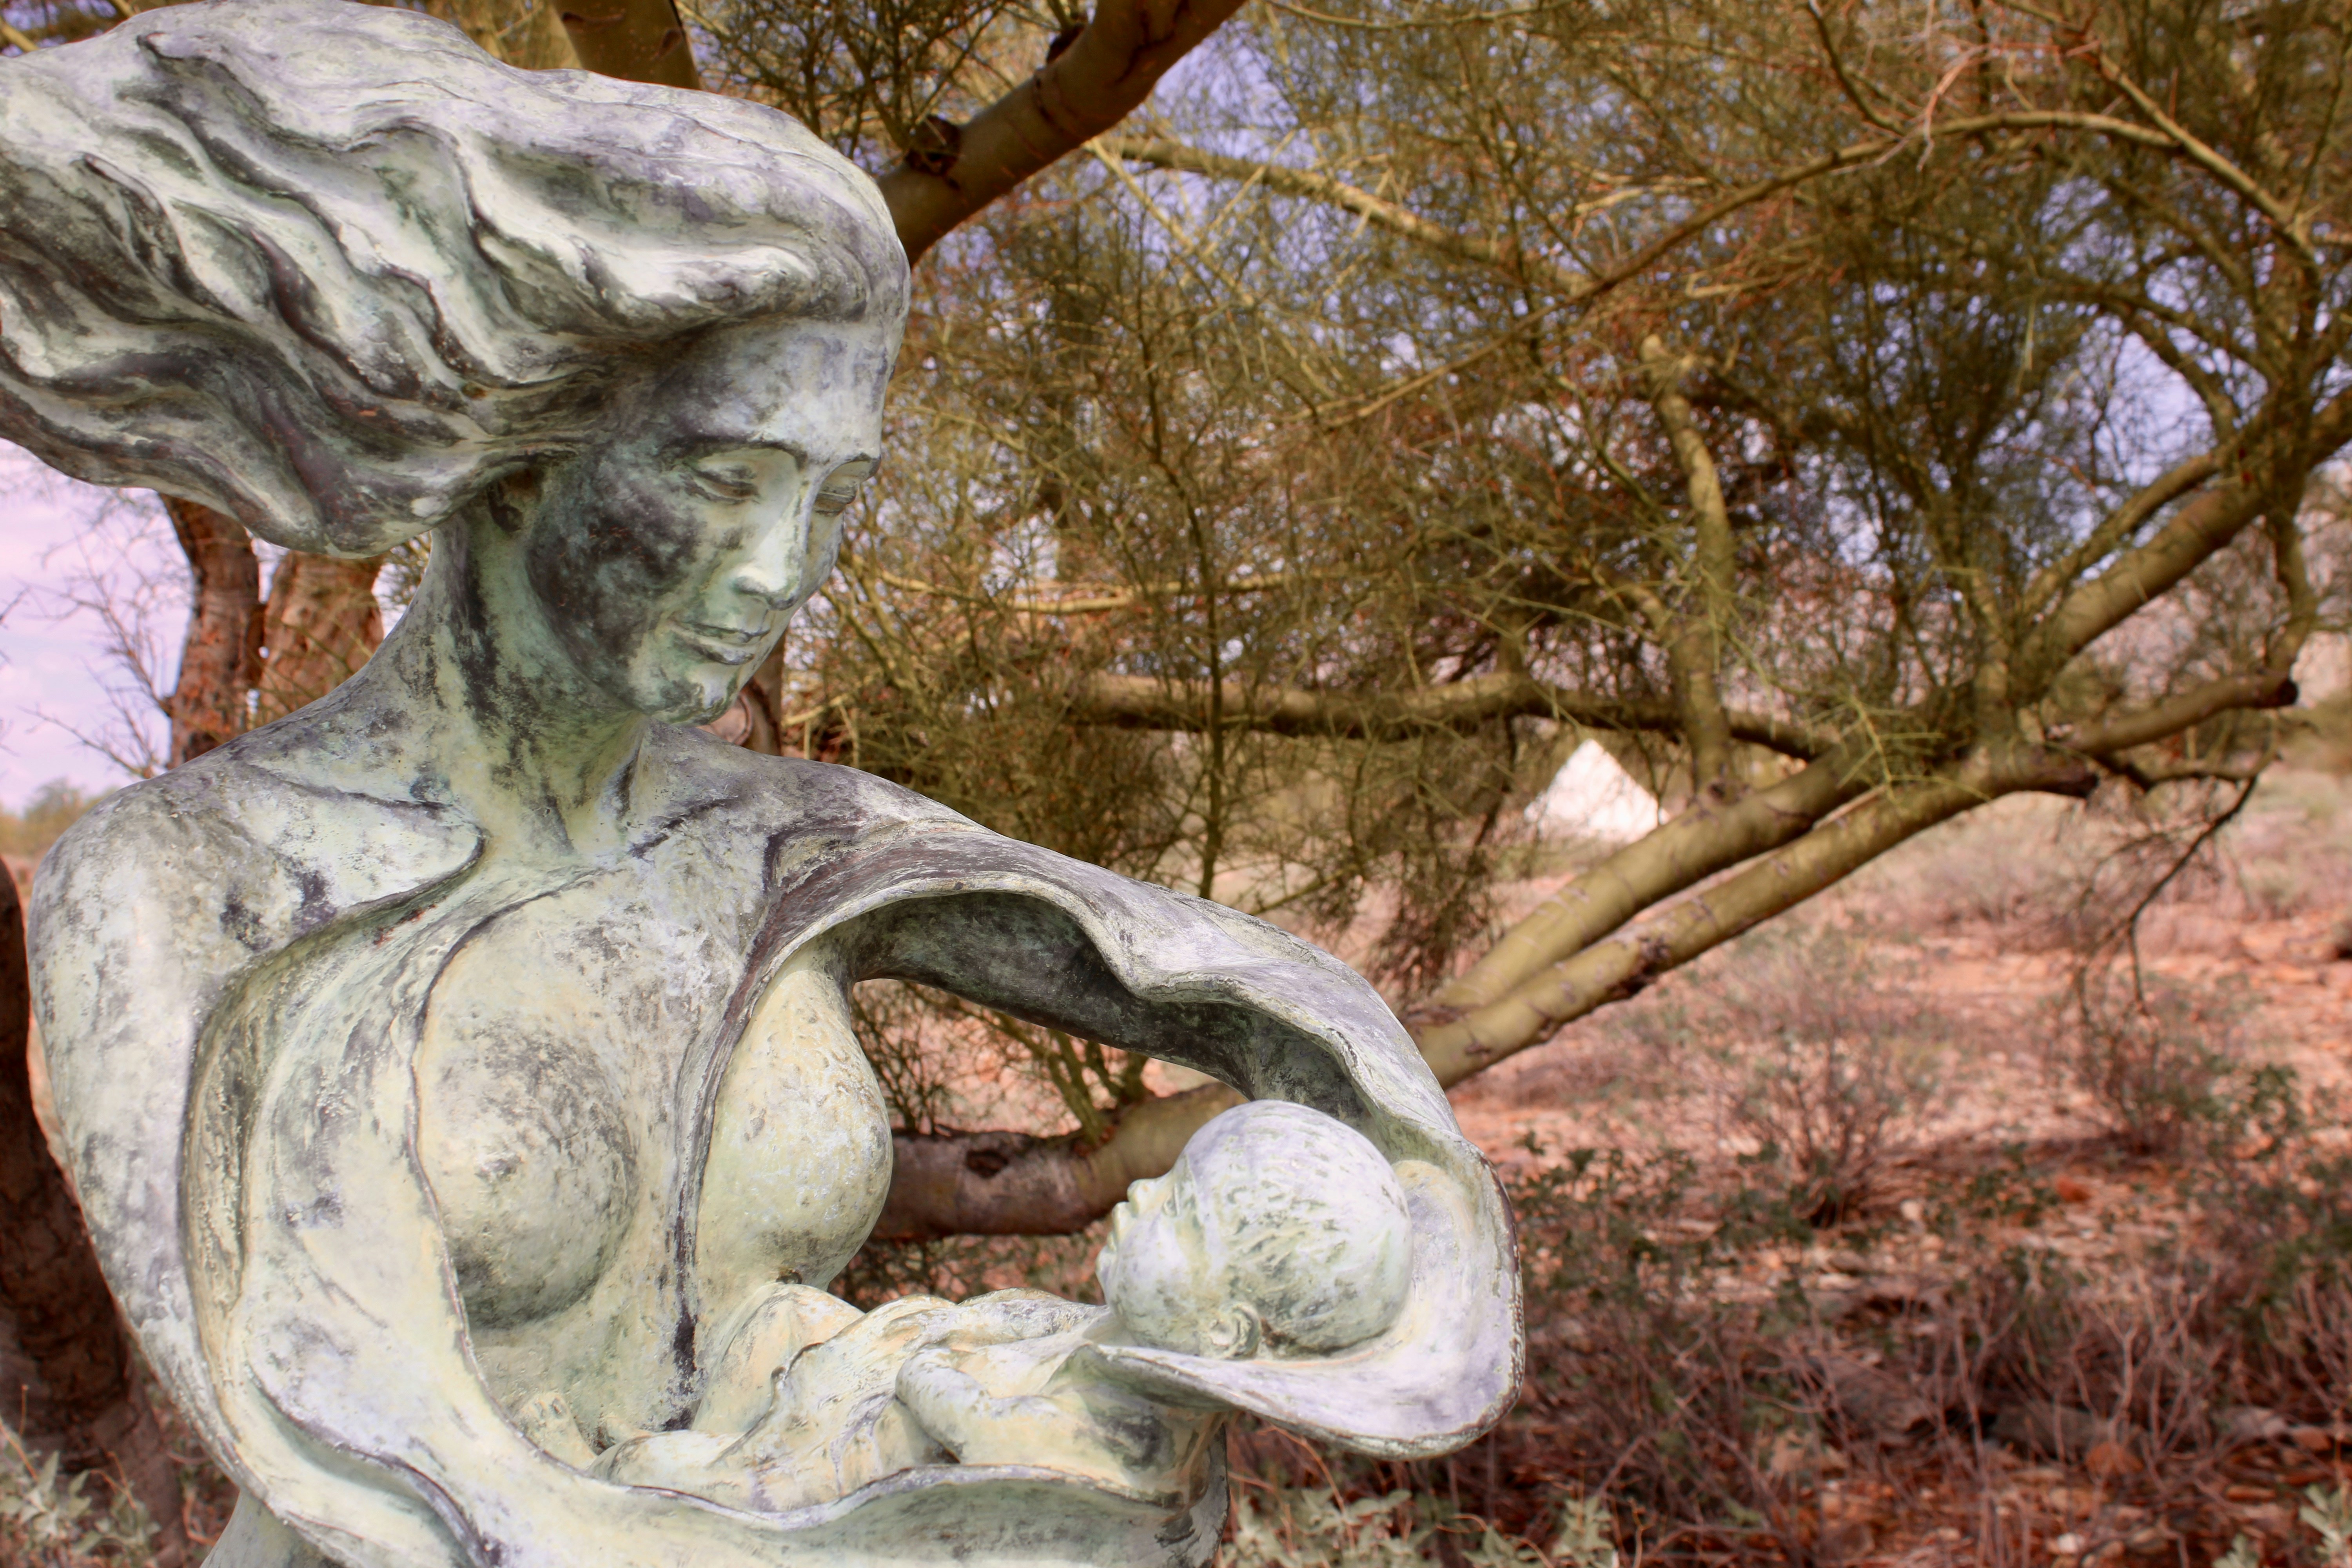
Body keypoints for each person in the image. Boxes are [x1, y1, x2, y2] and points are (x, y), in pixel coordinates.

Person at [1, 5, 1520, 1565]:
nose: (778, 573)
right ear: (522, 453)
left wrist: (1133, 1354)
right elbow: (407, 1477)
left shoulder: (793, 842)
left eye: (833, 497)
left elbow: (1335, 1057)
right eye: (721, 480)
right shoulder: (188, 883)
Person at [595, 1103, 1416, 1509]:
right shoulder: (1118, 1338)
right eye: (1171, 1175)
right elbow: (1030, 1318)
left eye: (1182, 1213)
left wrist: (926, 1370)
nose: (1140, 1189)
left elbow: (984, 1426)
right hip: (859, 1376)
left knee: (683, 1481)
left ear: (1225, 1331)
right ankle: (695, 1423)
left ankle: (617, 1466)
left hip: (850, 1461)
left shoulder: (1119, 1442)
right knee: (787, 1318)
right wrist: (949, 1327)